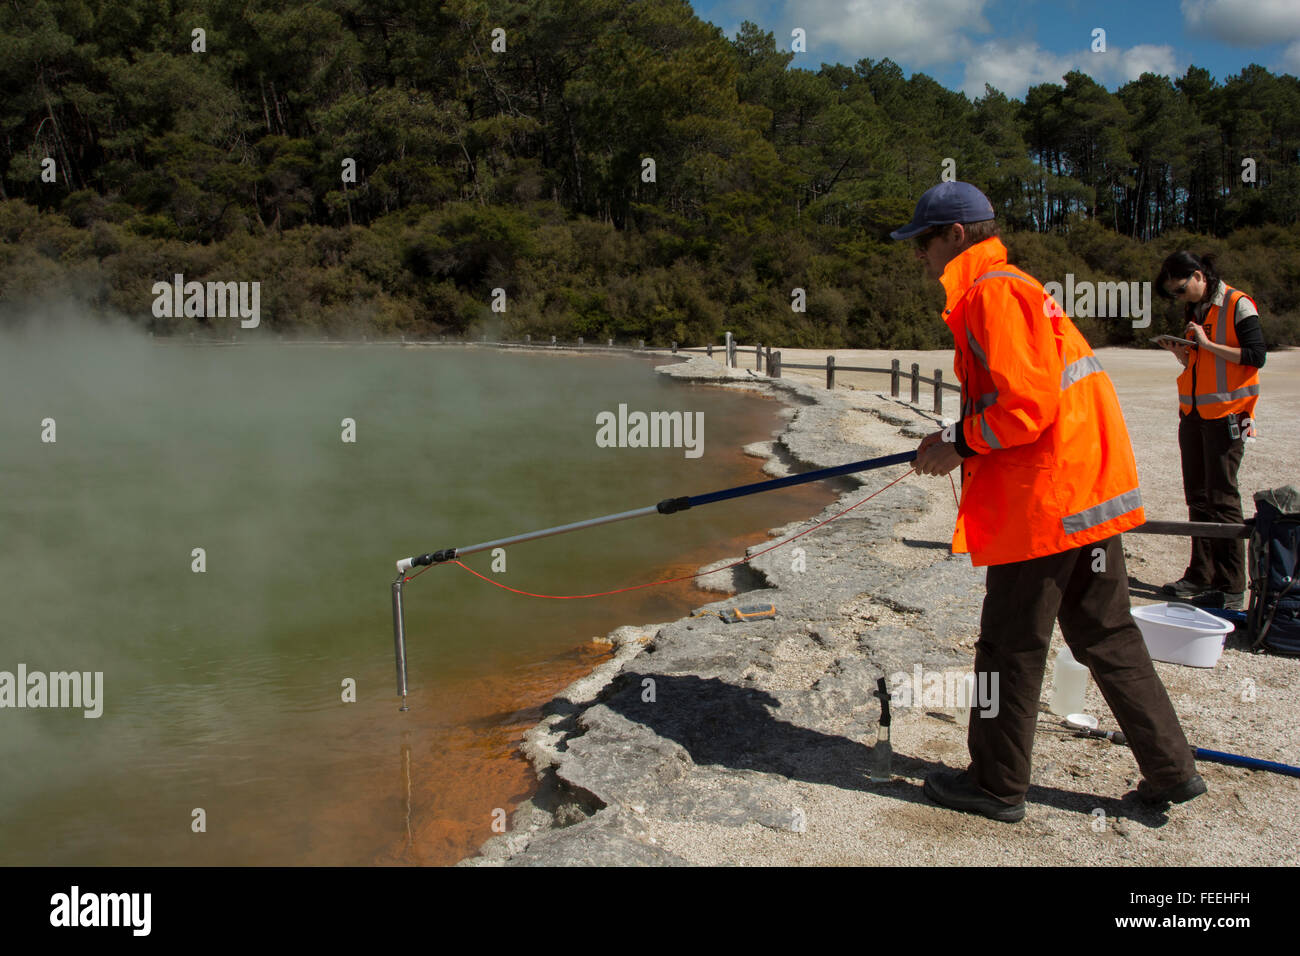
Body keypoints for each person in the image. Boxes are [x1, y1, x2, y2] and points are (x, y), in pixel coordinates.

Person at [891, 181, 1204, 822]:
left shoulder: (993, 293)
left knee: (1008, 646)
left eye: (923, 242)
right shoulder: (1017, 290)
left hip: (1046, 502)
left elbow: (1027, 407)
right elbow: (1027, 397)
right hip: (1081, 492)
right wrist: (957, 437)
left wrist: (961, 445)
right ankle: (1172, 771)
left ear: (956, 236)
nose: (917, 255)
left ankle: (994, 785)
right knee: (1107, 633)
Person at [1154, 252, 1266, 610]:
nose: (1180, 296)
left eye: (1181, 288)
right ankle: (1200, 574)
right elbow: (1203, 362)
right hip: (1194, 413)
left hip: (1230, 414)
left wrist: (1206, 343)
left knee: (1222, 498)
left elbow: (1255, 356)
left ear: (1199, 276)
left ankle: (1231, 587)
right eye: (1174, 293)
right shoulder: (1197, 309)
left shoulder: (1238, 304)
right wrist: (1183, 353)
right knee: (1198, 497)